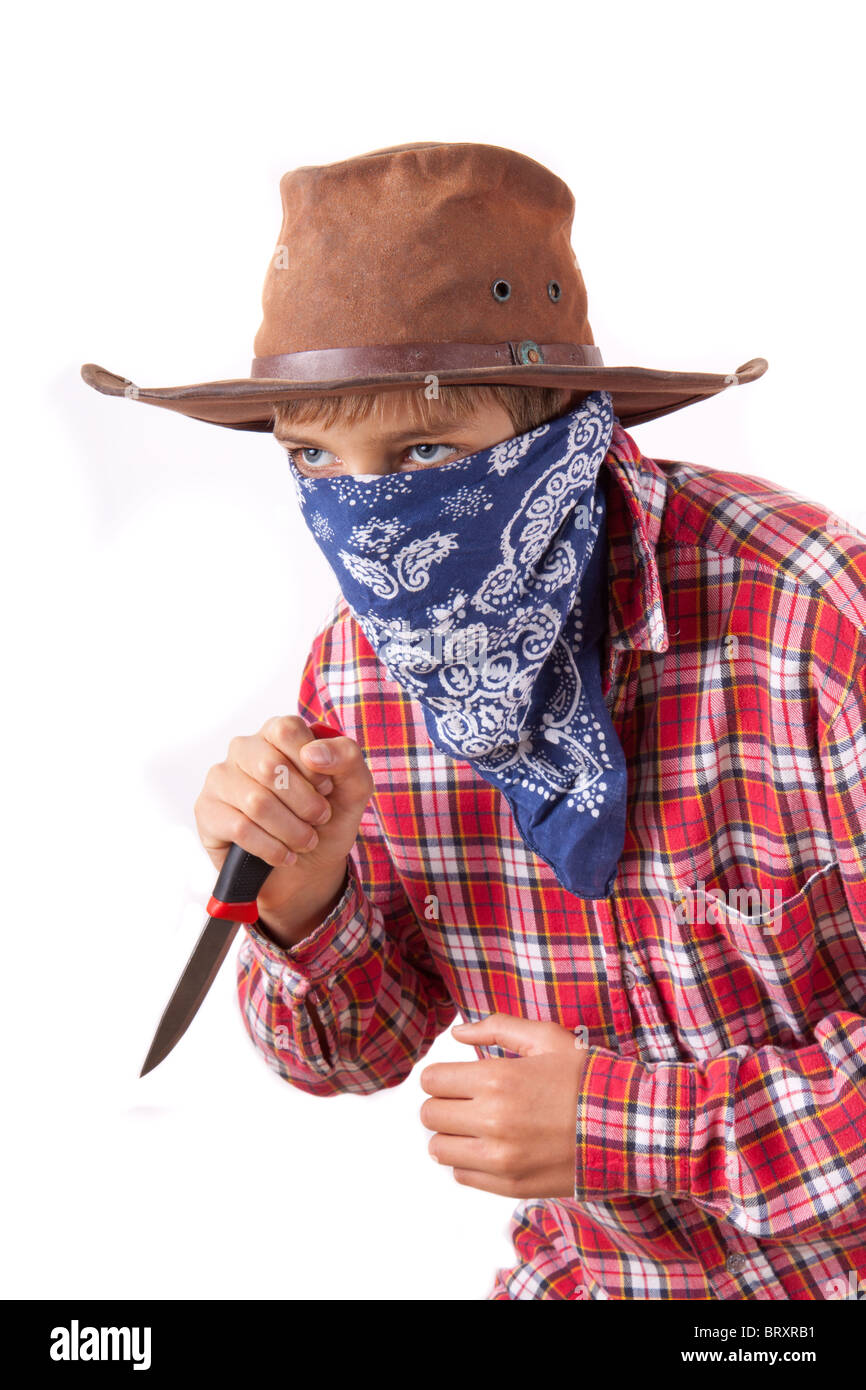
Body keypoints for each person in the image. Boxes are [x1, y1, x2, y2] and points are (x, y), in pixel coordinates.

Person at [82, 141, 866, 1301]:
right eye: (313, 457)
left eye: (425, 452)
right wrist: (303, 896)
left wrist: (628, 1125)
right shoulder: (360, 680)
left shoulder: (807, 625)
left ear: (560, 430)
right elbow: (350, 1053)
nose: (370, 519)